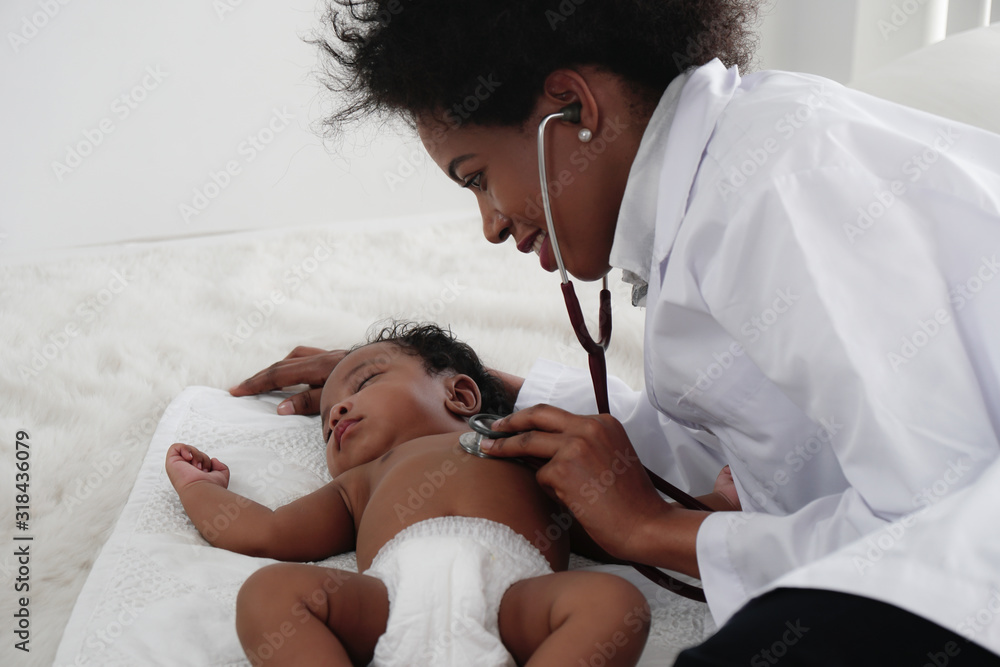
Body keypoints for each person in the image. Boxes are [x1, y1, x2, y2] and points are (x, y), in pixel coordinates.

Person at [231, 1, 1000, 663]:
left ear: (574, 108)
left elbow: (934, 520)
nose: (492, 223)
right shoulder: (719, 181)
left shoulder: (778, 188)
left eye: (476, 178)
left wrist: (658, 530)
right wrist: (428, 376)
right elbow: (757, 436)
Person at [173, 323, 739, 666]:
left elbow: (616, 525)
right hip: (388, 607)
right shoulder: (360, 484)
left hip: (516, 604)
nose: (337, 409)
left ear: (462, 394)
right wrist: (201, 489)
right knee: (269, 593)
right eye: (326, 423)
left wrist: (708, 510)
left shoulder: (520, 446)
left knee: (614, 606)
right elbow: (264, 532)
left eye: (364, 382)